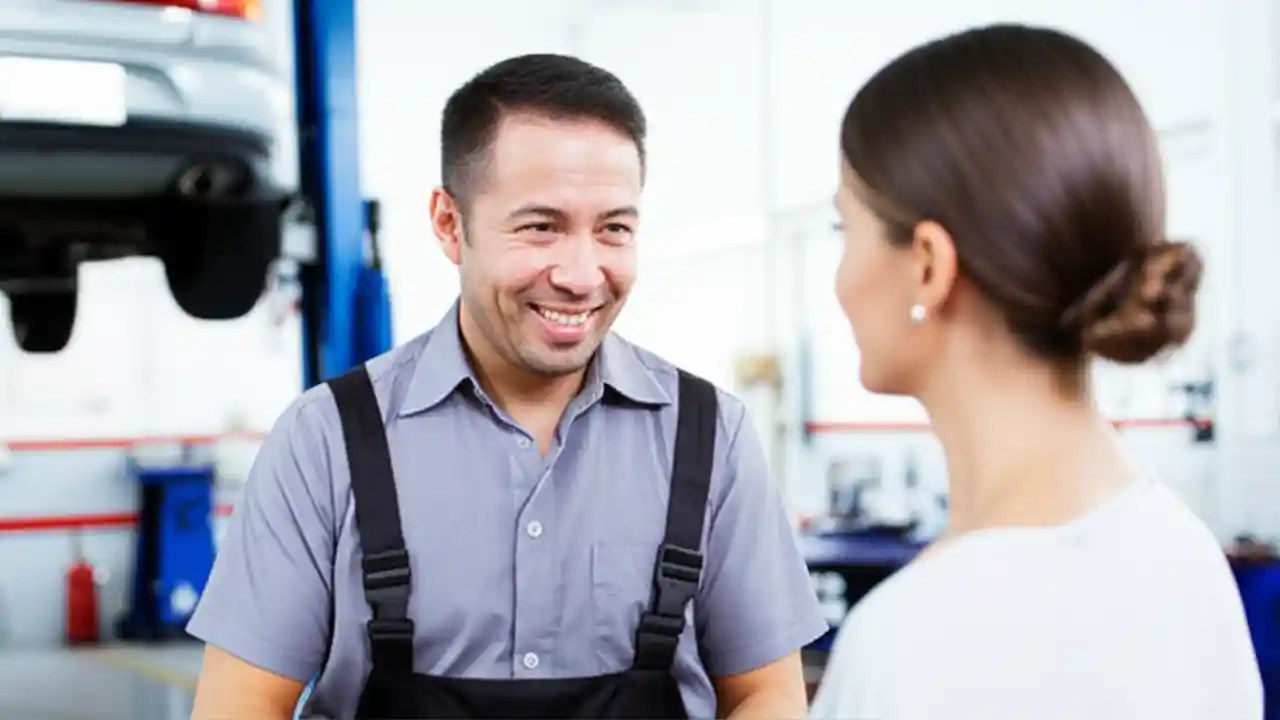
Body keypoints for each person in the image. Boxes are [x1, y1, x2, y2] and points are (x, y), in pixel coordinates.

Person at [187, 53, 827, 720]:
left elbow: (766, 695)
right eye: (541, 227)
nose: (582, 275)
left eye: (613, 228)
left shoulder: (710, 437)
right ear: (448, 224)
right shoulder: (325, 440)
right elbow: (240, 708)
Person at [808, 24, 1264, 720]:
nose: (839, 280)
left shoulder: (911, 644)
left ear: (928, 265)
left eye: (847, 232)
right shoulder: (1185, 557)